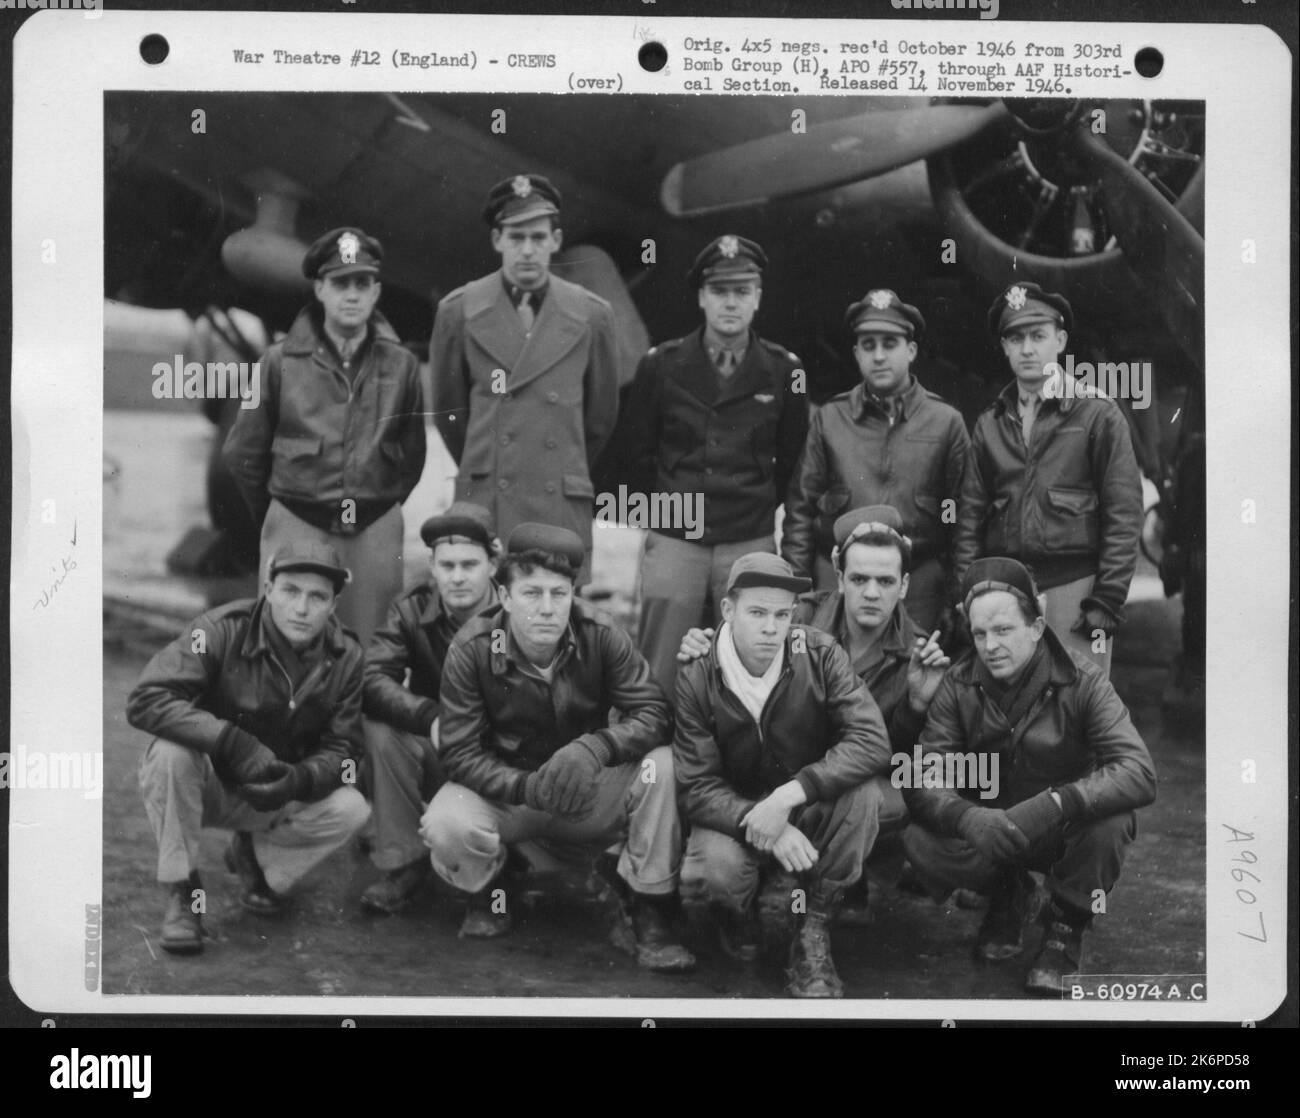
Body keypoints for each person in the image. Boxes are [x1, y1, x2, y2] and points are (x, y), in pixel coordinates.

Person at [419, 523, 695, 973]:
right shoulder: (471, 647)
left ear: (574, 594)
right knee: (447, 822)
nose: (547, 609)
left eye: (560, 593)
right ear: (505, 598)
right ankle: (495, 882)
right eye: (531, 594)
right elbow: (459, 753)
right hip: (511, 794)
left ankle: (648, 905)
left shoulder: (602, 633)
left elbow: (654, 713)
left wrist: (597, 747)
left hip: (588, 786)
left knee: (661, 766)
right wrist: (527, 786)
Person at [900, 557, 1157, 996]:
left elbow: (1138, 770)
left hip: (1058, 829)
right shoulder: (958, 684)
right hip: (992, 829)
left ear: (1037, 628)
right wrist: (967, 818)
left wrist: (1056, 803)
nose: (990, 646)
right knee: (919, 838)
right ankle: (1008, 891)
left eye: (1003, 630)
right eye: (980, 634)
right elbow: (925, 775)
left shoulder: (1084, 681)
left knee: (1114, 820)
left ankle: (1065, 926)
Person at [127, 540, 370, 955]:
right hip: (206, 782)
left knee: (352, 807)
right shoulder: (218, 629)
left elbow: (344, 749)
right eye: (291, 590)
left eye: (317, 597)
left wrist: (300, 779)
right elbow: (147, 699)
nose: (301, 608)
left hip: (272, 792)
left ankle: (256, 857)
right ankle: (183, 891)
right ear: (268, 587)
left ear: (333, 604)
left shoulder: (347, 655)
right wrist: (230, 741)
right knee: (170, 753)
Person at [672, 553, 892, 998]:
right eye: (757, 613)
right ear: (728, 611)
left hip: (802, 806)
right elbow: (696, 787)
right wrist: (764, 821)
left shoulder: (818, 652)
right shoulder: (698, 671)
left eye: (782, 614)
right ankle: (737, 912)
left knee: (864, 796)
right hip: (736, 817)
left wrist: (789, 797)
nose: (772, 628)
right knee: (714, 871)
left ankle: (813, 927)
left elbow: (872, 741)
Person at [222, 227, 427, 646]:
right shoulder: (279, 363)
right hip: (298, 519)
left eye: (362, 283)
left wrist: (377, 503)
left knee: (374, 648)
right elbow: (243, 451)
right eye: (340, 283)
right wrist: (281, 511)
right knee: (287, 640)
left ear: (375, 293)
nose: (351, 294)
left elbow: (412, 455)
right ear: (319, 289)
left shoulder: (402, 366)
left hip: (373, 527)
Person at [622, 234, 807, 691]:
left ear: (758, 298)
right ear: (702, 297)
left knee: (753, 656)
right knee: (662, 661)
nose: (731, 303)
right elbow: (636, 455)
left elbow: (793, 463)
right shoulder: (661, 366)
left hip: (747, 534)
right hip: (676, 535)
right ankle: (650, 743)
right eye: (720, 292)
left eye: (742, 292)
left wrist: (754, 508)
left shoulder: (784, 370)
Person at [429, 175, 620, 580]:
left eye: (538, 237)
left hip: (558, 505)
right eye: (516, 237)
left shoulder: (592, 314)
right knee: (485, 627)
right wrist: (486, 459)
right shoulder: (459, 311)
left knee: (557, 624)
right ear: (497, 239)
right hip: (488, 502)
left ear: (556, 240)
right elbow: (449, 413)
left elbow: (600, 418)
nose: (528, 250)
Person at [954, 282, 1143, 677]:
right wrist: (966, 594)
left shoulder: (1098, 414)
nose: (1027, 349)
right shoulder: (989, 424)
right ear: (1004, 347)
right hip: (1006, 591)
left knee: (1079, 707)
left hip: (1076, 587)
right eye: (1015, 338)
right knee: (1009, 713)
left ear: (1059, 340)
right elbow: (969, 517)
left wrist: (1107, 598)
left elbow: (1123, 513)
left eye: (1037, 336)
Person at [782, 289, 969, 632]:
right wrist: (795, 588)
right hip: (838, 578)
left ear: (911, 350)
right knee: (831, 675)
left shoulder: (946, 422)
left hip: (918, 584)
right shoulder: (830, 418)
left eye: (890, 344)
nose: (879, 356)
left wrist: (958, 595)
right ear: (856, 353)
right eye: (868, 346)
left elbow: (965, 516)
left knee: (910, 678)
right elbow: (800, 510)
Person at [359, 502, 500, 915]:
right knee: (380, 730)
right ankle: (404, 862)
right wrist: (430, 717)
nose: (456, 577)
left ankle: (514, 861)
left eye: (470, 564)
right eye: (447, 565)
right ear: (432, 567)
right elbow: (372, 680)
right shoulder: (412, 608)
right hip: (439, 749)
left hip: (504, 756)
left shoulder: (519, 610)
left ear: (494, 563)